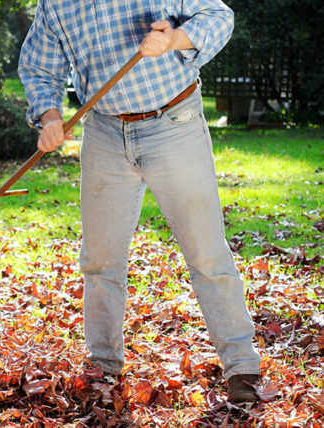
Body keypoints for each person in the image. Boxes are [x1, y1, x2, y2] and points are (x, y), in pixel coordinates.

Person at [18, 0, 261, 403]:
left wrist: (175, 39)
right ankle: (102, 367)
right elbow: (40, 67)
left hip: (174, 123)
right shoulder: (55, 4)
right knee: (100, 260)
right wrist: (49, 118)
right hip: (104, 133)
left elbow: (220, 17)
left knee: (206, 254)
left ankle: (243, 367)